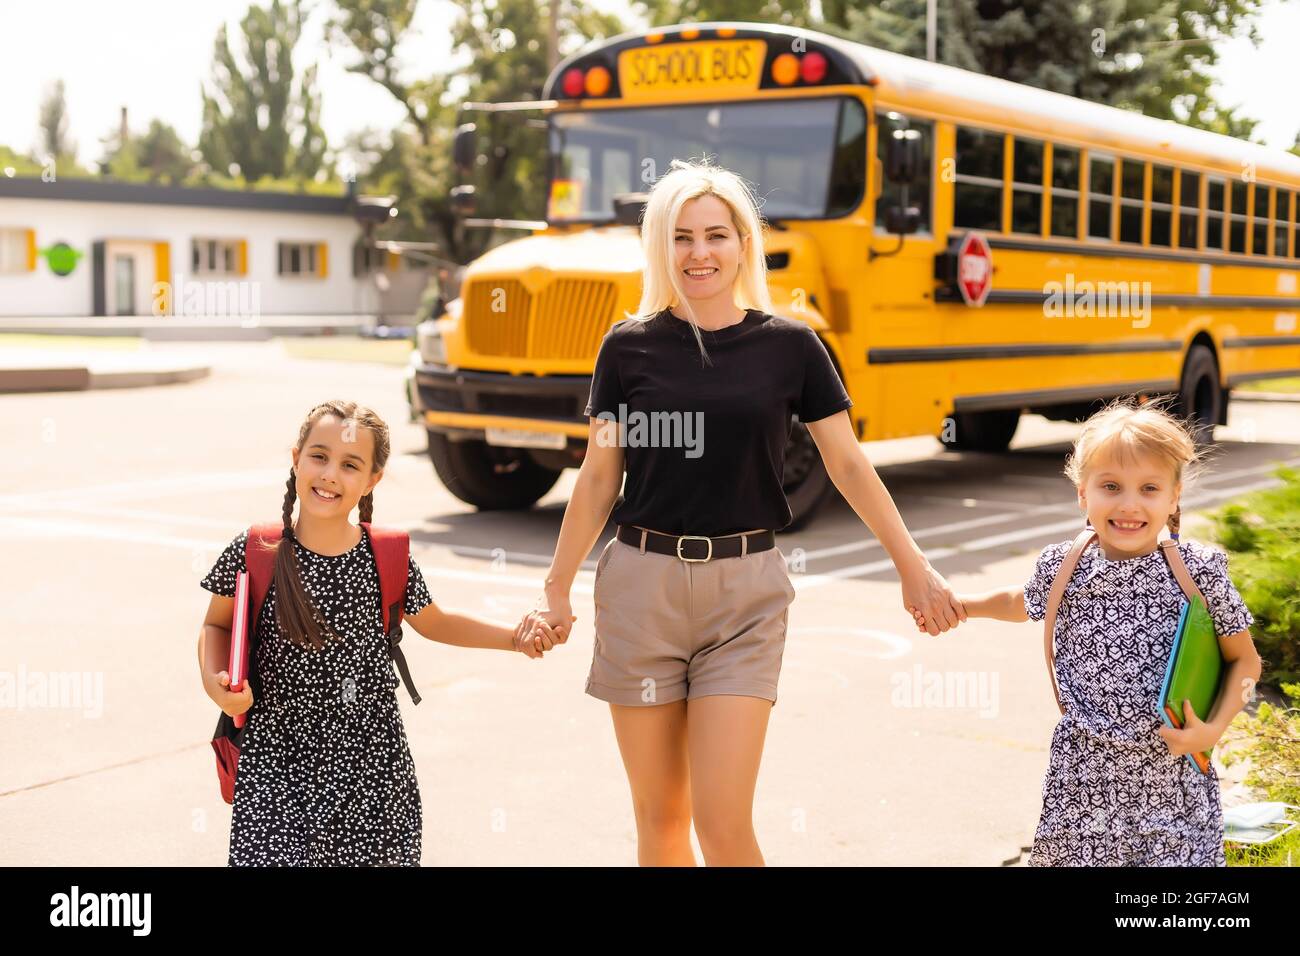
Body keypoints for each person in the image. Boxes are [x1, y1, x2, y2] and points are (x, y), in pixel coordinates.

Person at [517, 158, 966, 866]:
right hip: (641, 589)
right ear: (660, 248)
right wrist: (557, 589)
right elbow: (599, 476)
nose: (699, 253)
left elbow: (848, 465)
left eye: (716, 235)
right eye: (682, 237)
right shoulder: (626, 347)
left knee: (722, 824)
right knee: (662, 825)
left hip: (745, 598)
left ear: (743, 243)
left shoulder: (793, 348)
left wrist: (914, 569)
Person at [198, 399, 543, 866]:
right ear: (296, 457)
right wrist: (217, 683)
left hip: (373, 772)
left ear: (372, 480)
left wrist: (514, 637)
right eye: (318, 456)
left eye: (350, 464)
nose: (330, 474)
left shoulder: (386, 557)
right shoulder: (257, 549)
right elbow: (217, 623)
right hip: (277, 761)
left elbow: (435, 621)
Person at [951, 398, 1262, 865]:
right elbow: (1024, 600)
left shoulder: (1198, 571)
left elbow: (1246, 661)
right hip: (1081, 786)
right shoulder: (1064, 565)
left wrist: (1210, 731)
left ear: (1174, 497)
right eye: (1111, 486)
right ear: (1083, 493)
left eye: (1150, 488)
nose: (1129, 505)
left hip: (1170, 784)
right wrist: (962, 607)